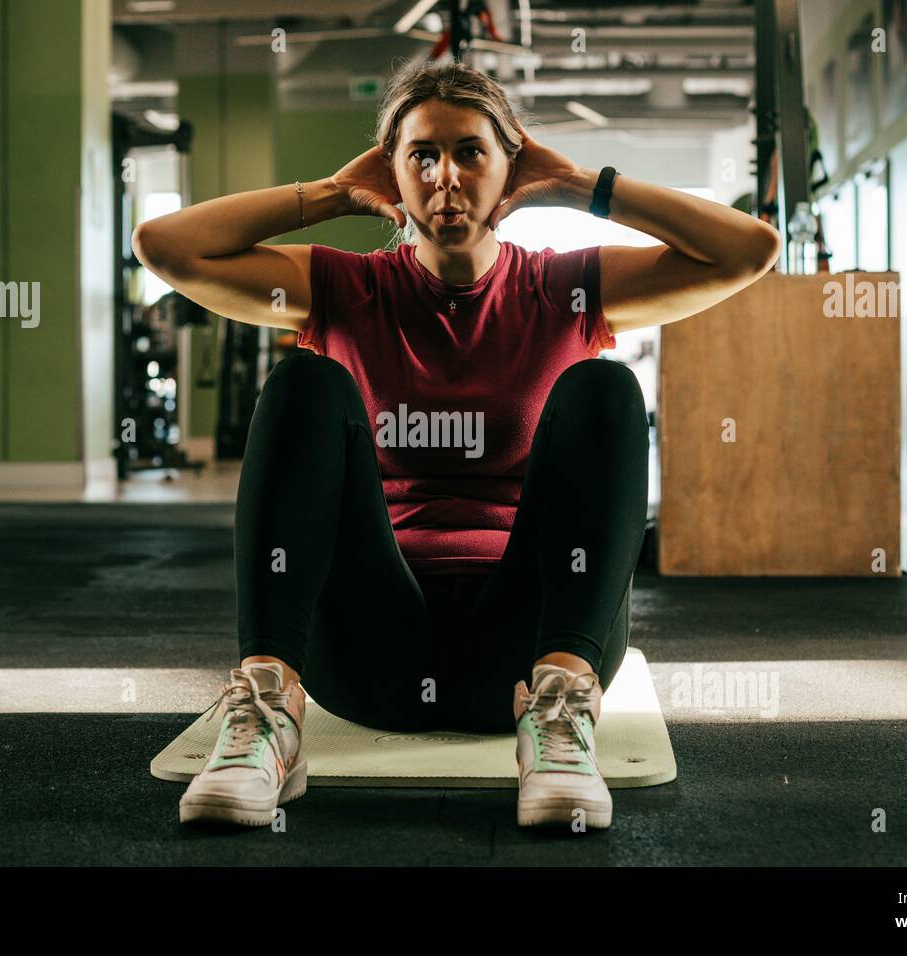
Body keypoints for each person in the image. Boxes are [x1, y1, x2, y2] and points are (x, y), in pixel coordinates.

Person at [132, 59, 780, 831]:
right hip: (371, 655)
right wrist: (334, 194)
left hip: (529, 650)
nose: (447, 176)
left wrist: (581, 186)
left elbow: (748, 251)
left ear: (512, 166)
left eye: (471, 151)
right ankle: (269, 710)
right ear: (392, 176)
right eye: (422, 156)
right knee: (306, 383)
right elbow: (166, 246)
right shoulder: (343, 289)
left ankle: (561, 720)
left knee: (603, 387)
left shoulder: (564, 290)